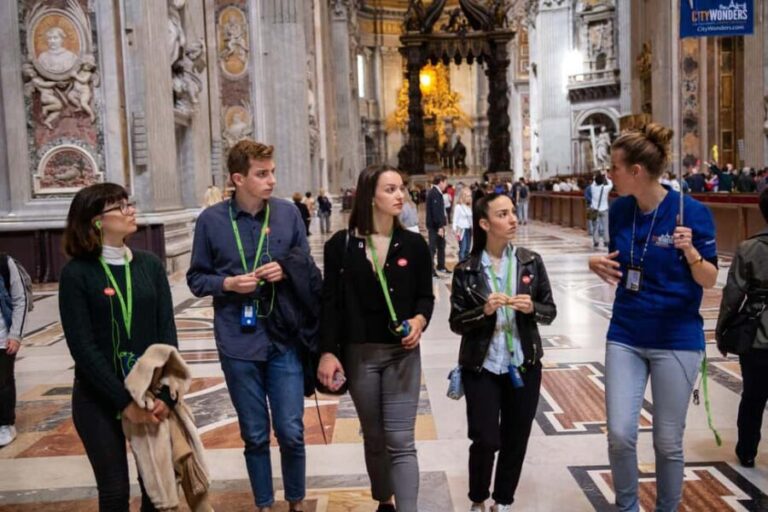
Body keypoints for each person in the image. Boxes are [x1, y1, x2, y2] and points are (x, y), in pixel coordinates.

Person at [589, 124, 718, 512]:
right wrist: (596, 263)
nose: (608, 174)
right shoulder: (619, 210)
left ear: (636, 172)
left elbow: (709, 280)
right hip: (626, 331)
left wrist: (691, 251)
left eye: (614, 167)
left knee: (666, 440)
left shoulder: (689, 212)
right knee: (621, 433)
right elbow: (619, 264)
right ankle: (626, 507)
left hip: (676, 337)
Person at [187, 140, 309, 512]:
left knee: (291, 430)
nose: (271, 180)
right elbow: (196, 278)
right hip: (237, 341)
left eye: (272, 172)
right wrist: (227, 283)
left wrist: (286, 268)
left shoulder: (288, 215)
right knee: (255, 433)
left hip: (283, 336)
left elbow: (307, 267)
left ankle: (296, 501)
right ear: (238, 178)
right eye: (262, 174)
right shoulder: (211, 221)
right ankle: (264, 504)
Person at [317, 164, 435, 512]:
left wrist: (418, 319)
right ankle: (384, 499)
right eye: (390, 189)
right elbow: (331, 304)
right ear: (370, 196)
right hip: (359, 354)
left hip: (401, 354)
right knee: (375, 436)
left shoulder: (414, 244)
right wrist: (327, 351)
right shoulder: (341, 246)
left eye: (401, 188)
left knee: (401, 439)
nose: (401, 195)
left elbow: (425, 297)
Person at [58, 183, 178, 511]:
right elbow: (82, 347)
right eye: (120, 207)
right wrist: (124, 401)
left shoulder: (150, 265)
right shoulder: (77, 274)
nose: (130, 210)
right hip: (97, 396)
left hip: (149, 393)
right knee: (114, 492)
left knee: (157, 490)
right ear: (97, 221)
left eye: (129, 204)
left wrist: (166, 393)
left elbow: (167, 333)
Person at [449, 193, 556, 512]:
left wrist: (532, 307)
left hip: (523, 365)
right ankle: (478, 497)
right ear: (484, 223)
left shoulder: (530, 262)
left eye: (512, 212)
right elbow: (456, 322)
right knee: (485, 438)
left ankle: (503, 500)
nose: (512, 219)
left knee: (516, 437)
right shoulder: (466, 271)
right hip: (482, 365)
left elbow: (550, 311)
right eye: (503, 214)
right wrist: (483, 310)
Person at [715, 188, 768, 468]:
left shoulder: (749, 248)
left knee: (753, 396)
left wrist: (722, 331)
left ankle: (747, 450)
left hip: (757, 334)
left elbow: (732, 295)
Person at [0, 253, 28, 447]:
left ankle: (5, 423)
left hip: (3, 337)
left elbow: (20, 299)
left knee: (3, 382)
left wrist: (15, 334)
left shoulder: (4, 262)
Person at [426, 174, 450, 276]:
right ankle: (430, 270)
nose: (446, 185)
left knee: (441, 246)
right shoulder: (434, 193)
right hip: (435, 227)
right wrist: (440, 226)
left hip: (439, 226)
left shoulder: (438, 193)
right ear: (440, 181)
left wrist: (443, 224)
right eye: (445, 182)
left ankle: (441, 265)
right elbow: (435, 212)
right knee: (432, 248)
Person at [588, 173, 613, 249]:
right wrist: (606, 177)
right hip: (604, 209)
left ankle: (596, 242)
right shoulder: (606, 188)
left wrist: (596, 177)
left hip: (593, 209)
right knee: (606, 226)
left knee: (595, 226)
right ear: (602, 181)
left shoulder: (592, 188)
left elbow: (594, 182)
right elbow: (611, 184)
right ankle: (606, 241)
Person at [452, 188, 473, 261]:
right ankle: (461, 267)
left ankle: (466, 265)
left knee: (467, 249)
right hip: (461, 230)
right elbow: (454, 220)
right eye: (467, 196)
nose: (469, 197)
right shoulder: (458, 207)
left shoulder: (469, 207)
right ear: (463, 196)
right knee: (462, 249)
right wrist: (455, 232)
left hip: (469, 230)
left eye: (470, 196)